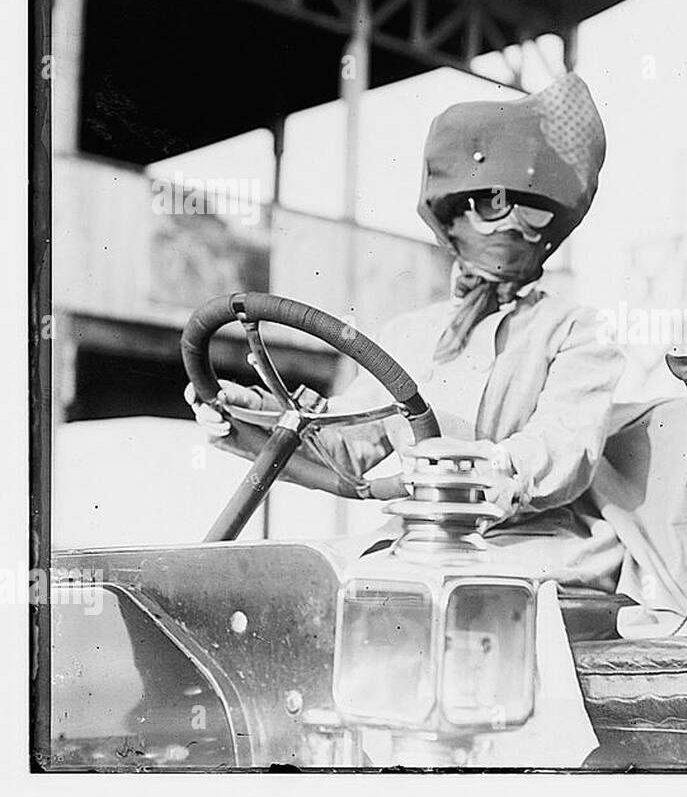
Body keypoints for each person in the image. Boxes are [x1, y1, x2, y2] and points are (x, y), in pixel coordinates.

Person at [186, 73, 625, 537]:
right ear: (455, 217)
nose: (512, 227)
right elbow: (344, 446)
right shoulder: (411, 335)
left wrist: (496, 467)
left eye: (533, 211)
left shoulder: (578, 331)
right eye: (495, 207)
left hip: (531, 543)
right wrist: (247, 410)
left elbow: (563, 444)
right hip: (419, 537)